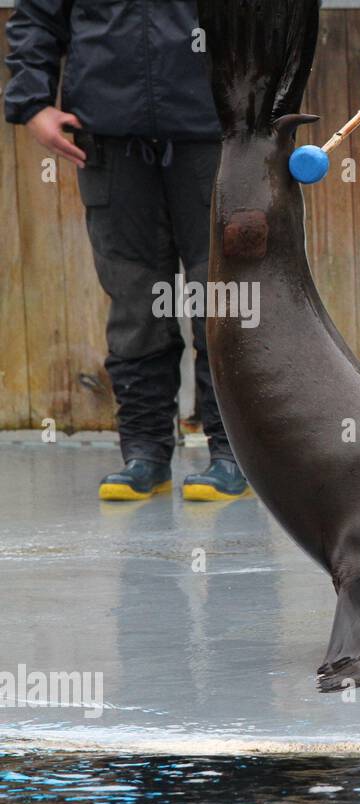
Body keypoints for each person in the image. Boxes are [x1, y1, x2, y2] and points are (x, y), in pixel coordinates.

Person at [3, 0, 251, 502]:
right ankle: (144, 453)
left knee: (222, 298)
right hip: (108, 137)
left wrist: (260, 115)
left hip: (214, 134)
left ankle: (235, 453)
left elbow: (270, 18)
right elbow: (36, 15)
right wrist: (32, 103)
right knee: (135, 299)